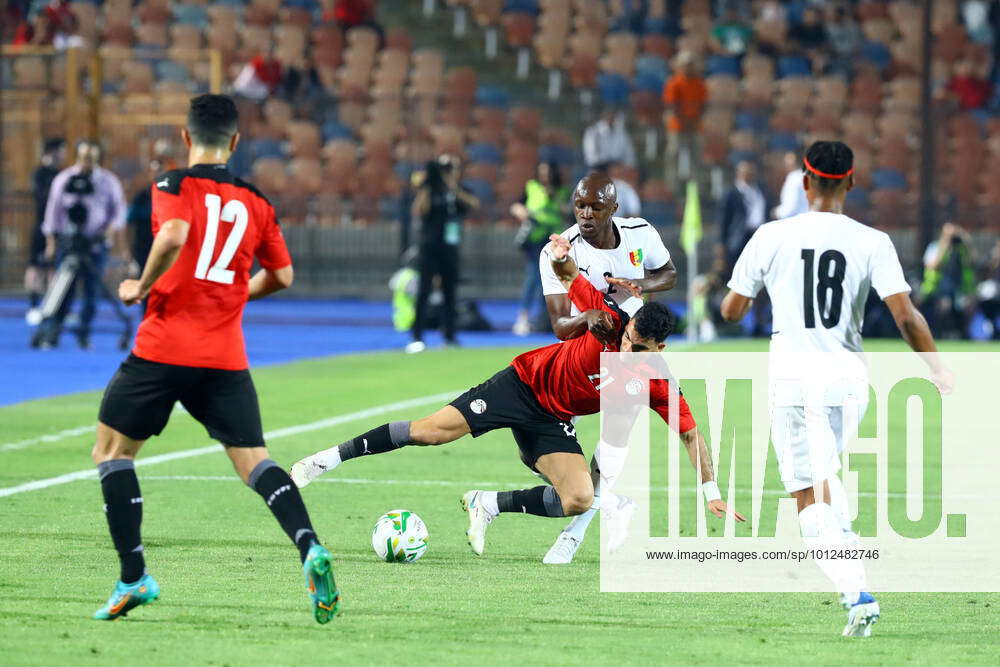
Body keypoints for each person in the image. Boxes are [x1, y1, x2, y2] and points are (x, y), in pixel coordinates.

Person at [290, 232, 743, 557]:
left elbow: (690, 434)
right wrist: (562, 254)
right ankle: (322, 460)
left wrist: (710, 491)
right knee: (429, 433)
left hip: (552, 419)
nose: (627, 351)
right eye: (627, 341)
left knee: (579, 499)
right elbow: (569, 277)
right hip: (522, 384)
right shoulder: (608, 320)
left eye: (638, 350)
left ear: (658, 350)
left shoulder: (658, 380)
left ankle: (487, 503)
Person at [90, 94, 340, 624]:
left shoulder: (172, 186)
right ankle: (309, 546)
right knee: (254, 461)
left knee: (112, 450)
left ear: (186, 138)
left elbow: (177, 233)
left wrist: (141, 284)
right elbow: (284, 276)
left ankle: (133, 577)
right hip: (223, 355)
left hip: (162, 348)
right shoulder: (257, 201)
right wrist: (233, 294)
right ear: (235, 141)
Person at [720, 140, 950, 637]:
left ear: (805, 182)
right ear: (850, 181)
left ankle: (856, 594)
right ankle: (854, 576)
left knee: (809, 499)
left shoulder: (771, 235)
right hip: (850, 383)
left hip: (796, 383)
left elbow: (732, 310)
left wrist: (751, 292)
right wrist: (937, 369)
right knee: (825, 482)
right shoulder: (873, 241)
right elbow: (906, 316)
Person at [536, 172, 678, 564]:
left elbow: (669, 274)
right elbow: (560, 327)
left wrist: (639, 285)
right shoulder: (561, 252)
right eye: (580, 205)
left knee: (614, 438)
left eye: (596, 207)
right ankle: (605, 499)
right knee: (541, 454)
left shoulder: (640, 233)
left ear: (613, 208)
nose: (586, 214)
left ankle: (574, 534)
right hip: (580, 355)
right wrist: (591, 314)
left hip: (627, 349)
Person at [33, 140, 128, 349]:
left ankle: (84, 334)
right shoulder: (63, 179)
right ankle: (53, 332)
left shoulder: (108, 181)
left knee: (91, 292)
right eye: (83, 157)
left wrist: (109, 231)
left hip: (96, 245)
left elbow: (119, 212)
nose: (87, 162)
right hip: (68, 245)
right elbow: (53, 213)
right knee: (62, 290)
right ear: (77, 157)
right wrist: (51, 243)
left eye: (91, 157)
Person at [407, 154, 480, 353]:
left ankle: (449, 335)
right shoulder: (430, 189)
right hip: (430, 245)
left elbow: (473, 204)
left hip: (450, 248)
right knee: (424, 290)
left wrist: (453, 187)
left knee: (450, 291)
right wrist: (427, 185)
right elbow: (419, 209)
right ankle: (417, 336)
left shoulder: (458, 190)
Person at [511, 161, 570, 336]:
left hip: (555, 240)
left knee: (556, 278)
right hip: (535, 238)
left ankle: (548, 319)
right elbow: (516, 205)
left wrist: (556, 198)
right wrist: (523, 213)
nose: (545, 177)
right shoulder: (531, 187)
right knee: (533, 276)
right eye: (542, 173)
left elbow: (568, 211)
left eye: (548, 173)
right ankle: (523, 317)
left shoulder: (562, 191)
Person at [25, 137, 65, 315]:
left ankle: (52, 305)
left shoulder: (61, 175)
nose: (64, 154)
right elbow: (42, 197)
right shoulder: (40, 174)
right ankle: (33, 304)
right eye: (62, 150)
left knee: (53, 266)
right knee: (35, 265)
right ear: (52, 151)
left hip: (58, 228)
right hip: (41, 226)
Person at [920, 222, 977, 339]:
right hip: (940, 287)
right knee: (943, 307)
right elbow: (933, 265)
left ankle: (964, 335)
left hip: (961, 287)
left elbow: (973, 261)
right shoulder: (935, 246)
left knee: (969, 307)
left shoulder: (961, 248)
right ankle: (940, 334)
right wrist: (945, 243)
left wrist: (966, 239)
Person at [661, 51, 707, 191]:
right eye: (686, 65)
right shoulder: (674, 82)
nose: (689, 68)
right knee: (673, 155)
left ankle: (696, 187)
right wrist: (684, 121)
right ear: (680, 66)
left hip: (694, 126)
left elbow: (704, 104)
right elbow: (671, 104)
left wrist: (693, 121)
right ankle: (671, 187)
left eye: (691, 65)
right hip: (677, 126)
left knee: (697, 157)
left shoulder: (699, 83)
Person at [773, 150, 809, 219]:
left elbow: (791, 207)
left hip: (795, 221)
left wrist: (776, 213)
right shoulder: (808, 176)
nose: (786, 164)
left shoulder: (793, 177)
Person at [977, 239, 1000, 339]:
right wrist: (995, 261)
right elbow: (984, 273)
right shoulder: (992, 258)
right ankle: (992, 327)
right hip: (992, 295)